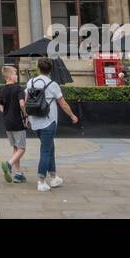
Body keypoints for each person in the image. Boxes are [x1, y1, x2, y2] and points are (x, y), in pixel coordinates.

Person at [26, 57, 79, 192]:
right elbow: (63, 104)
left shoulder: (31, 82)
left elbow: (26, 102)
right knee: (46, 150)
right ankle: (41, 181)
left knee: (50, 148)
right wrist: (72, 115)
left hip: (35, 122)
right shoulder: (52, 84)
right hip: (48, 122)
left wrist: (27, 117)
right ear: (51, 69)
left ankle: (54, 176)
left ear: (38, 68)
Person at [0, 65, 27, 184]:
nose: (17, 76)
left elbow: (1, 108)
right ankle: (9, 164)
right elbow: (21, 104)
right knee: (22, 148)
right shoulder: (18, 88)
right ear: (10, 76)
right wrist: (25, 115)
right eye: (15, 74)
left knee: (15, 147)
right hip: (17, 121)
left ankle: (18, 174)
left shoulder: (2, 90)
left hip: (7, 122)